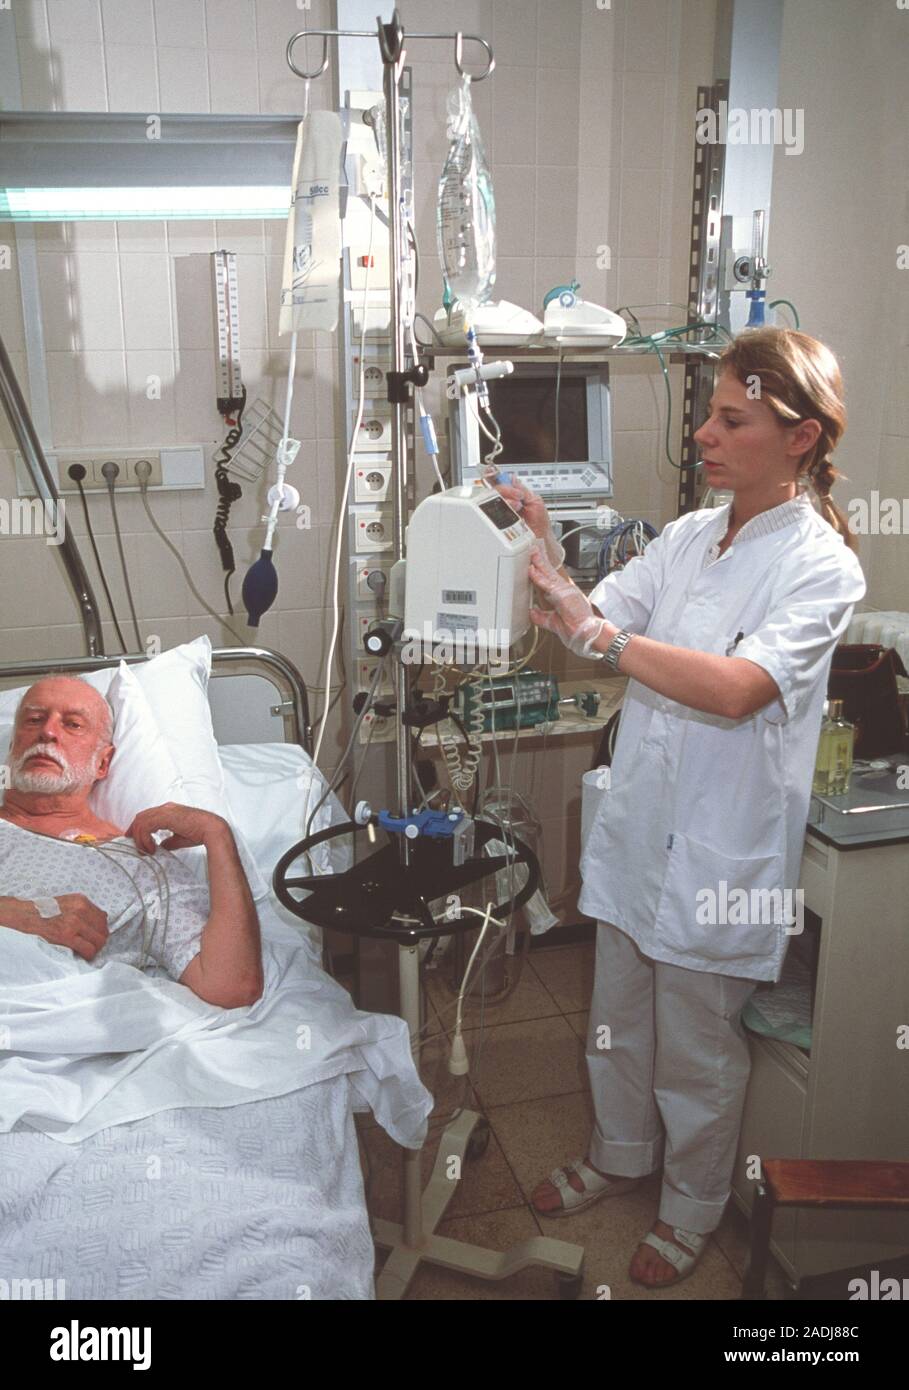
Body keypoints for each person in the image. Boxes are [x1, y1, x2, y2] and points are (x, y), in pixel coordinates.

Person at [496, 327, 866, 1288]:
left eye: (728, 418)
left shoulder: (820, 566)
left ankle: (692, 1207)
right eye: (706, 413)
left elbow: (740, 688)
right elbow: (592, 621)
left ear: (800, 437)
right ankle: (620, 1153)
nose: (701, 433)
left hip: (720, 852)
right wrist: (542, 556)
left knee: (697, 1050)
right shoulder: (692, 535)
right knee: (614, 1017)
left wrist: (603, 636)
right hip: (640, 833)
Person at [0, 676, 263, 1009]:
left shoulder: (138, 867)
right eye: (34, 719)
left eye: (73, 725)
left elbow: (232, 986)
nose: (48, 732)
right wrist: (20, 915)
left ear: (103, 762)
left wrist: (217, 835)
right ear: (12, 748)